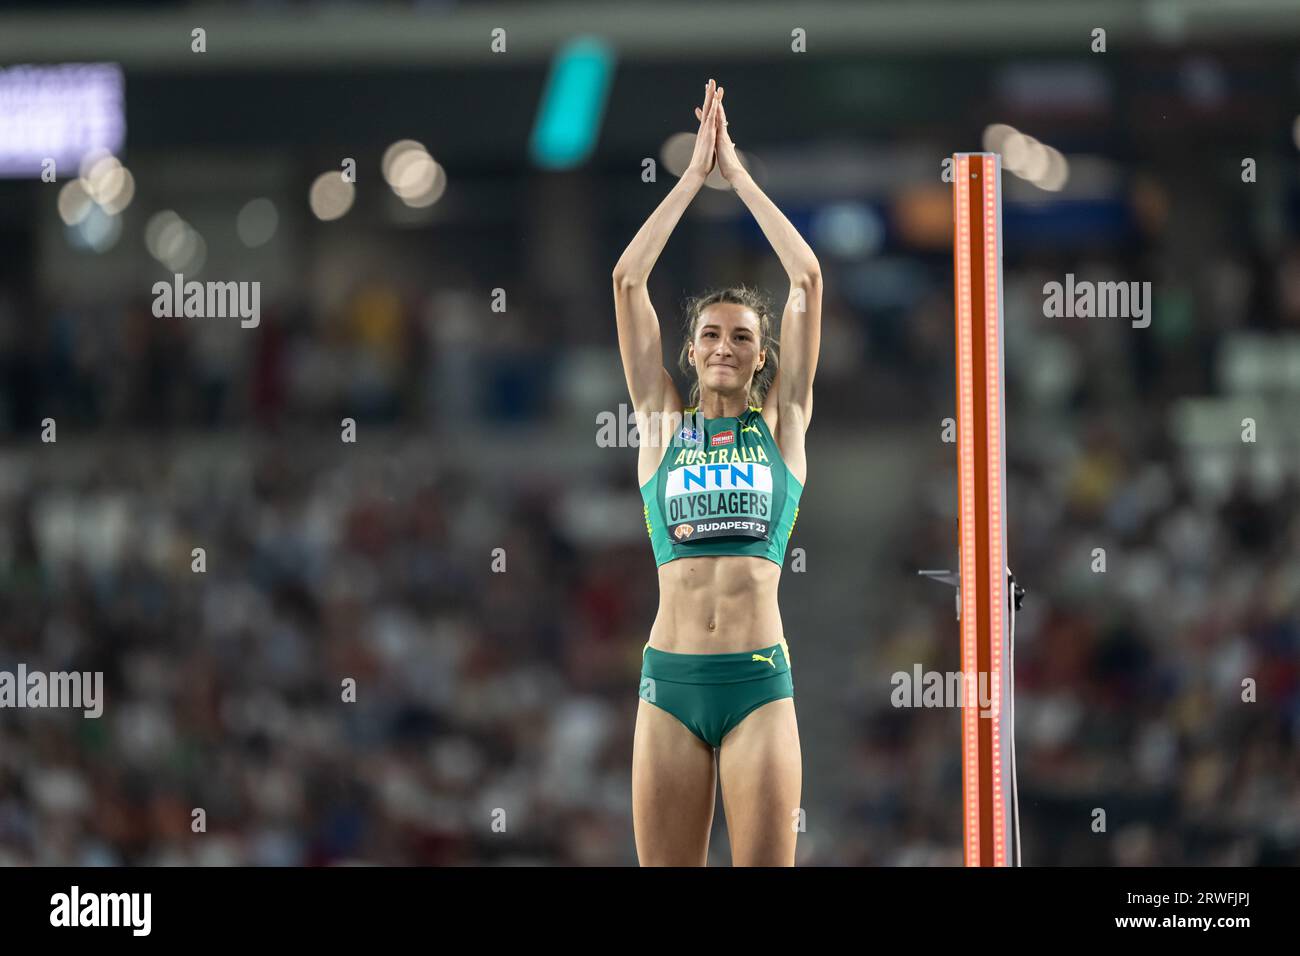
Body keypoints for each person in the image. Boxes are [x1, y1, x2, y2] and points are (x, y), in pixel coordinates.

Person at [612, 79, 822, 866]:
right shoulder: (662, 425)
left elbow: (806, 282)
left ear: (762, 356)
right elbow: (628, 282)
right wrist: (690, 180)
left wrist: (738, 176)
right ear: (690, 349)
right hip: (670, 682)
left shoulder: (784, 426)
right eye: (711, 334)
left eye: (742, 336)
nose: (726, 346)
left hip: (758, 683)